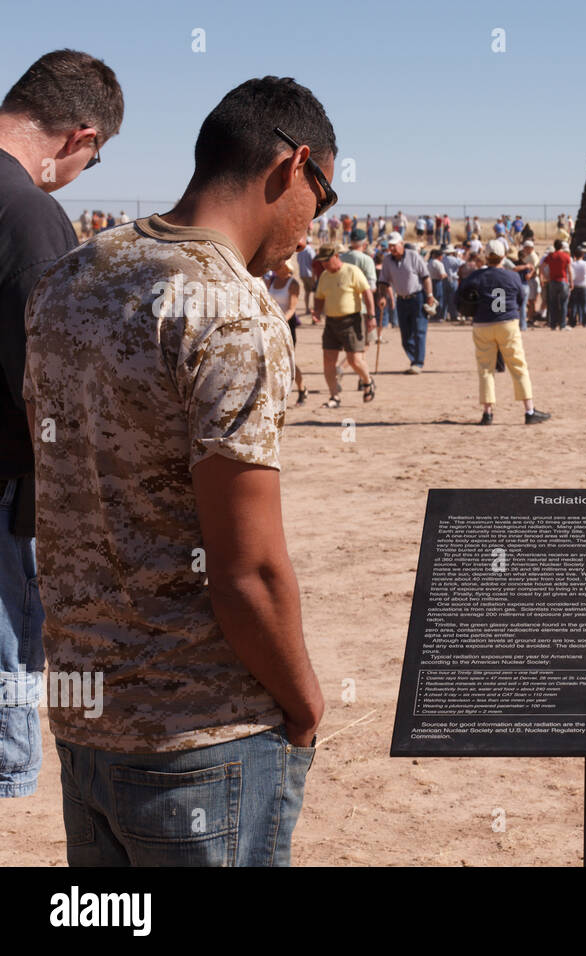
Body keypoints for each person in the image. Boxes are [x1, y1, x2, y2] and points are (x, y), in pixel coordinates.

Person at [24, 75, 329, 865]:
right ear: (292, 168)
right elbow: (249, 571)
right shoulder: (232, 311)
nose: (311, 228)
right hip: (203, 732)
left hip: (87, 716)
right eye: (319, 199)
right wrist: (303, 703)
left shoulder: (73, 276)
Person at [0, 49, 122, 801]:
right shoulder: (27, 210)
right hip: (7, 480)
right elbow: (46, 373)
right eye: (95, 159)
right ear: (79, 137)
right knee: (12, 652)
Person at [457, 238, 551, 426]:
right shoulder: (512, 276)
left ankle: (487, 413)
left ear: (486, 256)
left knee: (485, 368)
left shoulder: (476, 277)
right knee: (518, 365)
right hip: (507, 322)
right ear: (503, 256)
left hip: (483, 323)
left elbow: (460, 297)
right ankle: (529, 410)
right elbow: (519, 296)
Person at [312, 245, 376, 406]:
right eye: (321, 262)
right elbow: (319, 296)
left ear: (336, 256)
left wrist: (371, 316)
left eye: (326, 261)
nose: (324, 265)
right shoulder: (325, 276)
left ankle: (368, 381)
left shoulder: (352, 271)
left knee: (354, 360)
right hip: (331, 322)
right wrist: (317, 312)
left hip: (352, 321)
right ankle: (334, 396)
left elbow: (367, 293)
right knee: (328, 361)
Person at [377, 232, 433, 373]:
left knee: (419, 331)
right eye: (390, 246)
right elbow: (383, 281)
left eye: (394, 246)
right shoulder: (387, 261)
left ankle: (418, 363)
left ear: (401, 244)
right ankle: (415, 359)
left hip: (418, 298)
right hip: (401, 300)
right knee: (406, 336)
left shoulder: (413, 256)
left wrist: (430, 295)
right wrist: (382, 296)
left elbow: (426, 277)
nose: (392, 249)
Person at [265, 257, 308, 406]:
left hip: (286, 325)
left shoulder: (293, 283)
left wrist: (280, 320)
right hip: (270, 324)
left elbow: (292, 308)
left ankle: (302, 388)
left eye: (278, 266)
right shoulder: (271, 280)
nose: (275, 269)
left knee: (288, 361)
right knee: (271, 359)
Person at [542, 238, 572, 331]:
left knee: (553, 304)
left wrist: (545, 277)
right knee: (563, 304)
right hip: (563, 280)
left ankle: (553, 324)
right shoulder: (565, 256)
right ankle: (562, 325)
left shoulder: (551, 256)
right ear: (562, 246)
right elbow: (569, 270)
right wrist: (571, 282)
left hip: (552, 281)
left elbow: (542, 266)